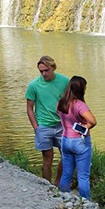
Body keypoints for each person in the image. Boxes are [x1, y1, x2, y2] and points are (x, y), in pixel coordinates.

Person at [25, 56, 69, 184]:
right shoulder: (34, 85)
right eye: (41, 71)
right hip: (43, 126)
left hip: (62, 125)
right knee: (47, 158)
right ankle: (47, 187)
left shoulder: (65, 81)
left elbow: (72, 102)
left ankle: (58, 184)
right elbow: (29, 108)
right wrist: (36, 127)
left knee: (66, 156)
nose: (44, 74)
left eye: (46, 70)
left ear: (53, 68)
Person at [57, 76, 97, 200]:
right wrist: (86, 125)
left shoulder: (61, 102)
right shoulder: (80, 105)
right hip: (80, 142)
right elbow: (93, 121)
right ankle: (86, 203)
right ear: (81, 89)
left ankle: (64, 198)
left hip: (65, 140)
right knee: (83, 176)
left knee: (66, 174)